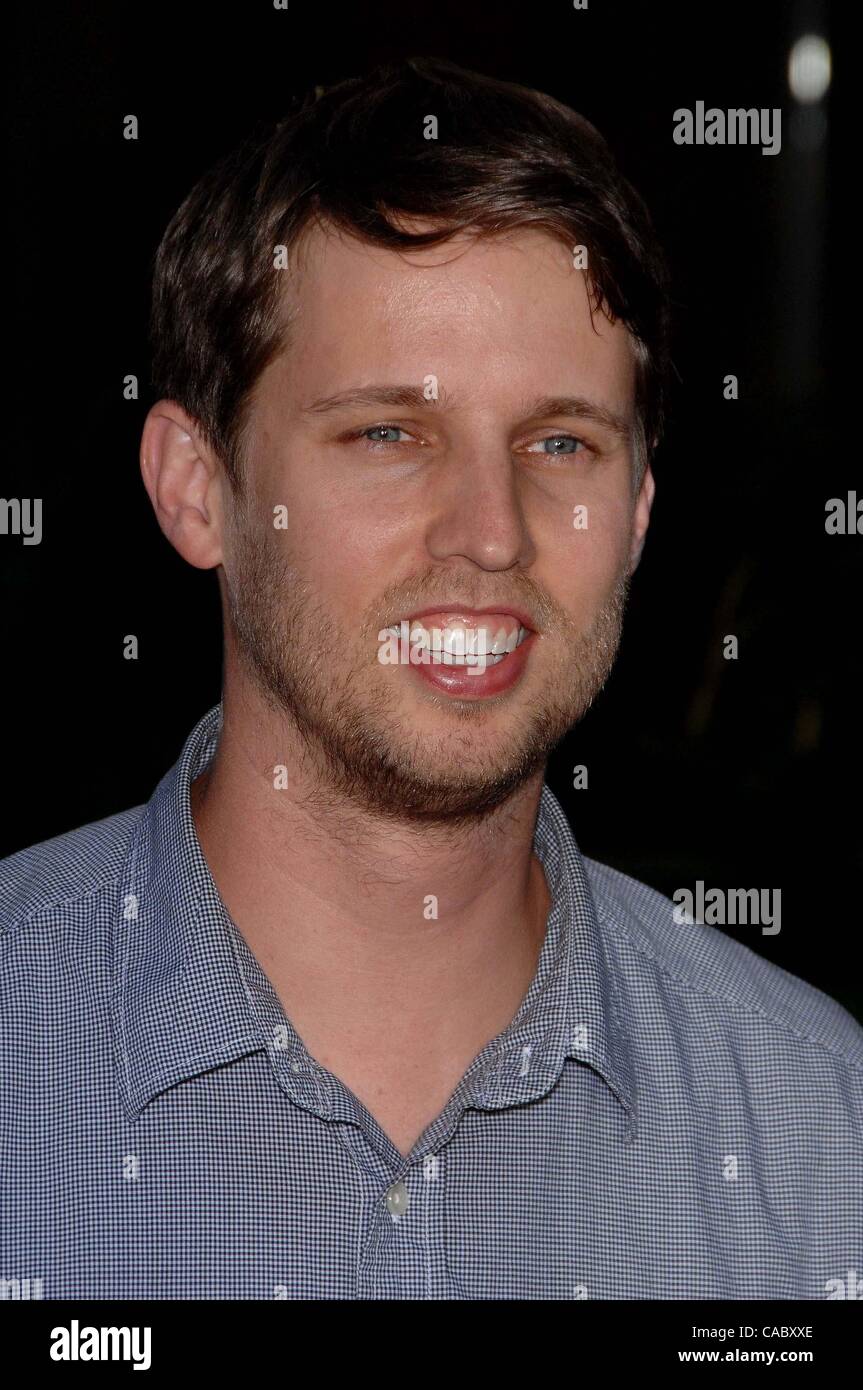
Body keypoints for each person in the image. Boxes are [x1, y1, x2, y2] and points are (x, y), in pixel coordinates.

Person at [2, 57, 860, 1302]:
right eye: (390, 434)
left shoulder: (815, 1134)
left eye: (559, 441)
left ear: (634, 511)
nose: (490, 531)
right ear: (197, 487)